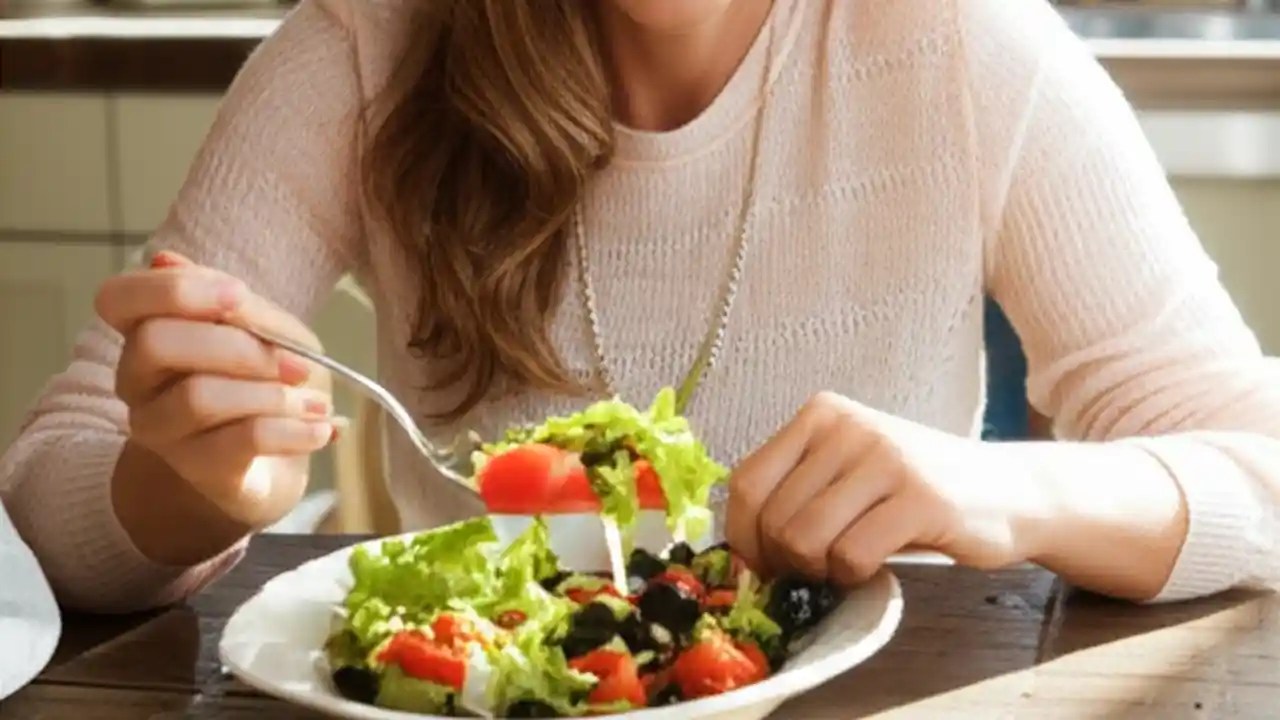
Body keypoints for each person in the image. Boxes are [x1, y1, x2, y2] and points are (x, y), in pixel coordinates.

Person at [2, 0, 1277, 614]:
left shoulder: (962, 48)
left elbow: (1261, 474)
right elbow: (47, 510)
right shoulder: (362, 49)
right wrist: (190, 489)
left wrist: (999, 490)